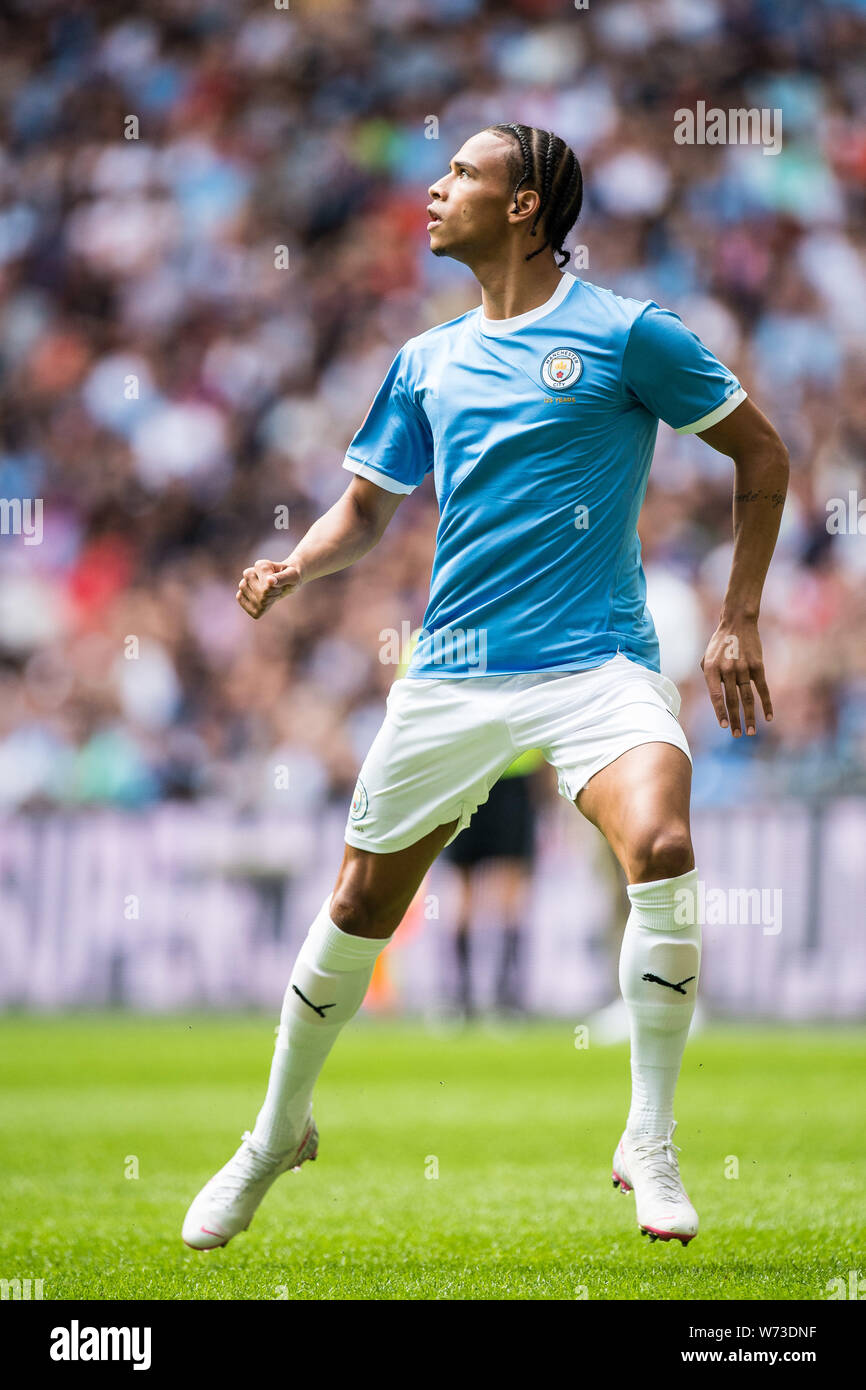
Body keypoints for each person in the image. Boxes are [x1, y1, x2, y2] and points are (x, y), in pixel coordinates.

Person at [182, 123, 788, 1251]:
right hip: (452, 673)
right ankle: (273, 1135)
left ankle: (646, 1140)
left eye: (459, 173)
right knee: (361, 903)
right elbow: (365, 510)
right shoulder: (425, 359)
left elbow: (761, 453)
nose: (434, 188)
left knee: (657, 844)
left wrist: (738, 617)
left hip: (597, 661)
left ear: (522, 206)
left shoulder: (626, 335)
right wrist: (296, 565)